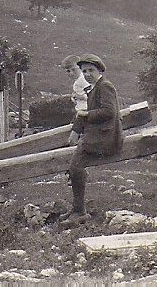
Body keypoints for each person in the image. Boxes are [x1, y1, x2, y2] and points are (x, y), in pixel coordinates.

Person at [61, 54, 123, 228]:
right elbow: (84, 112)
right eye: (84, 71)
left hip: (105, 137)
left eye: (91, 70)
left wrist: (86, 116)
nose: (87, 74)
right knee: (75, 167)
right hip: (96, 135)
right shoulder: (94, 88)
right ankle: (77, 208)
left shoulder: (105, 87)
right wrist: (76, 130)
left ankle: (80, 212)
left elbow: (109, 112)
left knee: (76, 167)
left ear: (100, 71)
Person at [62, 55, 89, 144]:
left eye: (74, 69)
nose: (71, 73)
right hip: (80, 111)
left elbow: (91, 95)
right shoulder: (77, 81)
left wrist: (80, 96)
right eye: (68, 71)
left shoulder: (84, 80)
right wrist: (74, 98)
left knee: (75, 135)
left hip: (85, 111)